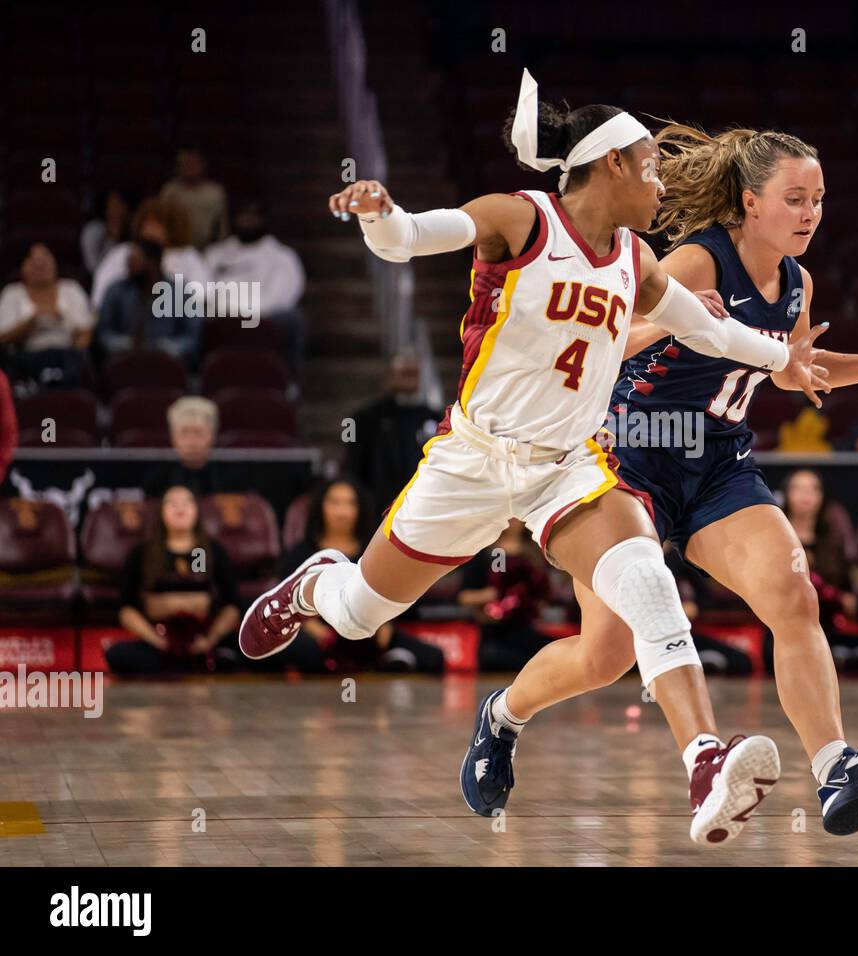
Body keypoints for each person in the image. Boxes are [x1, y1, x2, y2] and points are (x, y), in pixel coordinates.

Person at [237, 70, 827, 845]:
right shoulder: (520, 219)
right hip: (473, 461)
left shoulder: (635, 259)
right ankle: (321, 583)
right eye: (649, 164)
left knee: (645, 576)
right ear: (611, 164)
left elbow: (707, 331)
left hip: (566, 466)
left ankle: (705, 761)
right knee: (360, 617)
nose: (661, 182)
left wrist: (776, 356)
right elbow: (412, 237)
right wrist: (381, 216)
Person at [482, 120, 858, 838]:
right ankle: (503, 717)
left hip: (720, 461)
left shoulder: (796, 282)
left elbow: (794, 371)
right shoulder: (696, 262)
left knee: (793, 594)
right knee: (606, 655)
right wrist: (670, 326)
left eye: (819, 198)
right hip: (630, 454)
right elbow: (602, 335)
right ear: (751, 202)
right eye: (795, 198)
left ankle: (834, 771)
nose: (810, 212)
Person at [280, 477, 442, 673]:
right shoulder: (302, 552)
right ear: (321, 506)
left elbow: (393, 588)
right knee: (302, 652)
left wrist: (385, 624)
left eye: (350, 503)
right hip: (320, 634)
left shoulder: (374, 550)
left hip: (369, 630)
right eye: (335, 502)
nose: (342, 511)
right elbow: (285, 598)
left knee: (433, 657)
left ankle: (389, 661)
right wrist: (311, 628)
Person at [106, 485, 241, 674]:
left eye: (187, 502)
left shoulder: (202, 552)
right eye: (172, 503)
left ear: (196, 511)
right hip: (159, 640)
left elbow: (231, 604)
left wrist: (209, 639)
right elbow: (126, 608)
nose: (180, 508)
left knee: (237, 654)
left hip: (202, 639)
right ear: (161, 512)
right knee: (118, 655)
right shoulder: (145, 553)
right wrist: (157, 640)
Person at [779, 468, 858, 671]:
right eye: (799, 489)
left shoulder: (831, 539)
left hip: (826, 626)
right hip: (785, 628)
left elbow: (847, 588)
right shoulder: (776, 538)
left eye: (813, 489)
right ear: (786, 494)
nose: (806, 495)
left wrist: (848, 598)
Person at [204, 200, 306, 363]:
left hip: (265, 316)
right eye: (243, 215)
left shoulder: (282, 255)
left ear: (263, 219)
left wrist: (248, 312)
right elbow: (205, 291)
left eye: (253, 215)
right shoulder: (215, 254)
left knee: (292, 318)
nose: (247, 220)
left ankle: (290, 380)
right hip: (221, 316)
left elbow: (282, 296)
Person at [342, 352, 441, 508]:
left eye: (413, 373)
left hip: (423, 504)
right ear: (390, 375)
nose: (408, 377)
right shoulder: (358, 420)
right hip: (378, 506)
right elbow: (350, 466)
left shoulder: (437, 418)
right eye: (403, 372)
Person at [458, 519, 555, 672]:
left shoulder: (534, 553)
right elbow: (465, 596)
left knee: (553, 655)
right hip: (497, 633)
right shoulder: (494, 554)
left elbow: (542, 593)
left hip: (525, 629)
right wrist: (495, 594)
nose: (513, 521)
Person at [0, 243, 96, 392]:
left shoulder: (71, 289)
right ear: (23, 268)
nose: (41, 265)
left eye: (45, 259)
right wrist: (30, 324)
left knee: (77, 362)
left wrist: (62, 319)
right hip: (28, 354)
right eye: (34, 261)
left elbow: (86, 333)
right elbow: (3, 338)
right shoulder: (12, 293)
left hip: (66, 352)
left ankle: (57, 383)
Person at [96, 239, 203, 367]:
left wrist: (167, 348)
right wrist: (125, 344)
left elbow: (192, 337)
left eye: (135, 259)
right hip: (125, 362)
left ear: (152, 264)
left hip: (167, 364)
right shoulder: (116, 290)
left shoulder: (180, 292)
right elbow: (103, 333)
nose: (128, 264)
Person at [91, 196, 210, 310]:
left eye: (158, 224)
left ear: (173, 227)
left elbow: (202, 294)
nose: (150, 228)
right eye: (147, 223)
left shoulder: (187, 255)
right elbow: (100, 293)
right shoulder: (123, 252)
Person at [143, 396, 235, 496]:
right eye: (184, 433)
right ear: (173, 437)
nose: (191, 442)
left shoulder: (233, 476)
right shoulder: (155, 478)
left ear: (213, 435)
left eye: (198, 433)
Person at [160, 147, 229, 250]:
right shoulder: (170, 191)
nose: (189, 167)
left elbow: (222, 229)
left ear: (203, 164)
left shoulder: (215, 192)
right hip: (175, 249)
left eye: (193, 163)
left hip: (207, 250)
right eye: (185, 163)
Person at [81, 188, 135, 272]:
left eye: (121, 205)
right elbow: (93, 267)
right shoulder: (93, 230)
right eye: (113, 204)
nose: (117, 209)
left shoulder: (134, 232)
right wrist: (112, 238)